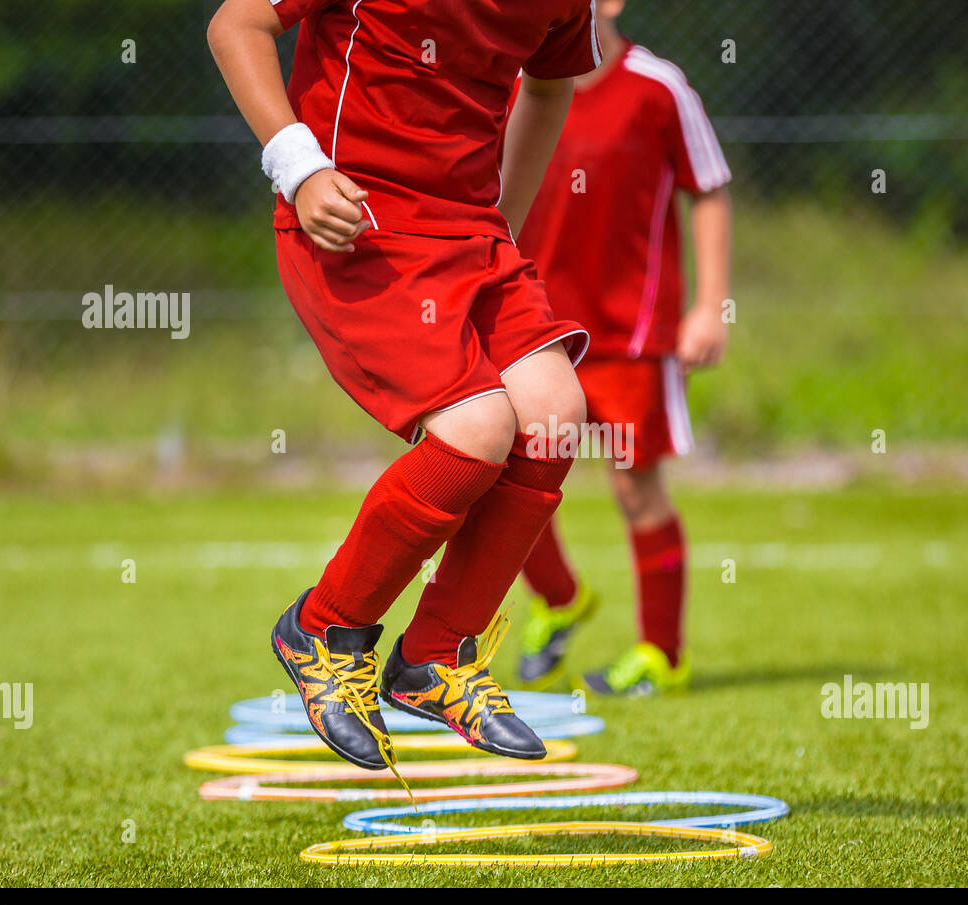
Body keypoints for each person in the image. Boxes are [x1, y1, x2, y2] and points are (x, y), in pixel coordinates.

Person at [207, 0, 601, 770]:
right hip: (357, 222)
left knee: (555, 413)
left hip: (472, 233)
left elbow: (552, 86)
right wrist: (301, 169)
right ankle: (322, 630)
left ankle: (436, 657)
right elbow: (235, 25)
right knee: (480, 428)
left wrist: (502, 223)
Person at [510, 0, 733, 697]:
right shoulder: (510, 87)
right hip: (532, 330)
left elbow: (711, 190)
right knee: (499, 474)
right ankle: (560, 597)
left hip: (632, 339)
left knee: (635, 487)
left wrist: (709, 306)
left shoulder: (658, 86)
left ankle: (662, 654)